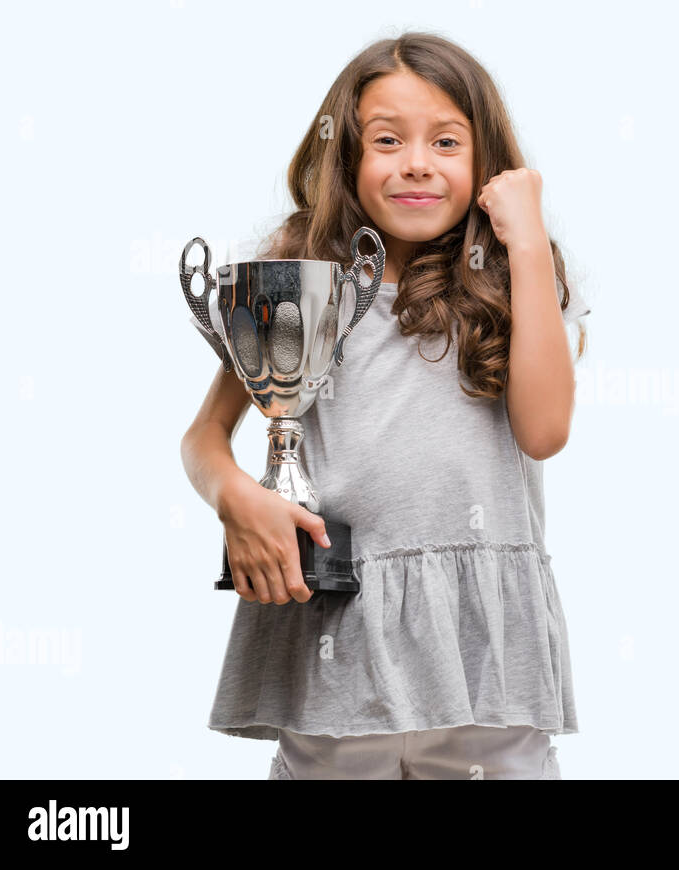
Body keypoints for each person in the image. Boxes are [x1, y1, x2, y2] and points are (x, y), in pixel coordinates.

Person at [178, 31, 589, 780]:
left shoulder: (509, 278)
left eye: (446, 141)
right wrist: (235, 496)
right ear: (347, 156)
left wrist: (527, 244)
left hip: (482, 663)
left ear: (485, 159)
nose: (416, 164)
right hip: (337, 642)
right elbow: (204, 435)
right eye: (387, 140)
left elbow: (545, 428)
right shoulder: (302, 271)